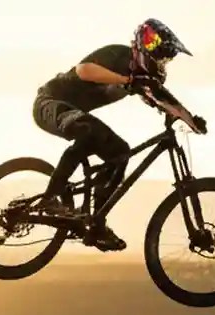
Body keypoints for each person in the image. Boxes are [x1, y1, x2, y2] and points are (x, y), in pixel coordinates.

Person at [31, 18, 194, 251]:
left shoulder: (142, 78)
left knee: (120, 152)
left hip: (75, 114)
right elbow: (84, 70)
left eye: (166, 59)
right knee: (89, 130)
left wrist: (190, 119)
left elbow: (162, 99)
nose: (161, 62)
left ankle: (97, 222)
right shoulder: (119, 55)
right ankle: (49, 199)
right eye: (160, 55)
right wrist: (127, 80)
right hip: (49, 103)